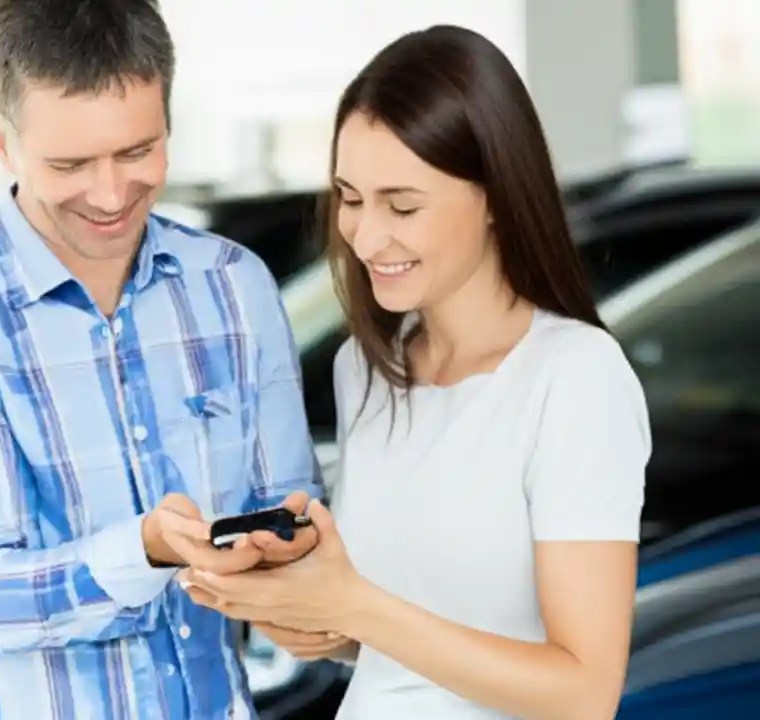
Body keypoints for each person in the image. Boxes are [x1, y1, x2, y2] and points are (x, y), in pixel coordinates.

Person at [182, 25, 651, 720]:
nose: (367, 237)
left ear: (494, 193)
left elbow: (582, 692)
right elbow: (405, 642)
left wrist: (356, 605)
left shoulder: (576, 379)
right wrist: (323, 625)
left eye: (402, 205)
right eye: (350, 197)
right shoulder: (365, 371)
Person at [0, 1, 323, 717]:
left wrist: (278, 559)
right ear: (0, 140)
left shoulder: (235, 287)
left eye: (138, 152)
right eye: (71, 163)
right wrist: (143, 552)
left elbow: (291, 513)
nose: (111, 195)